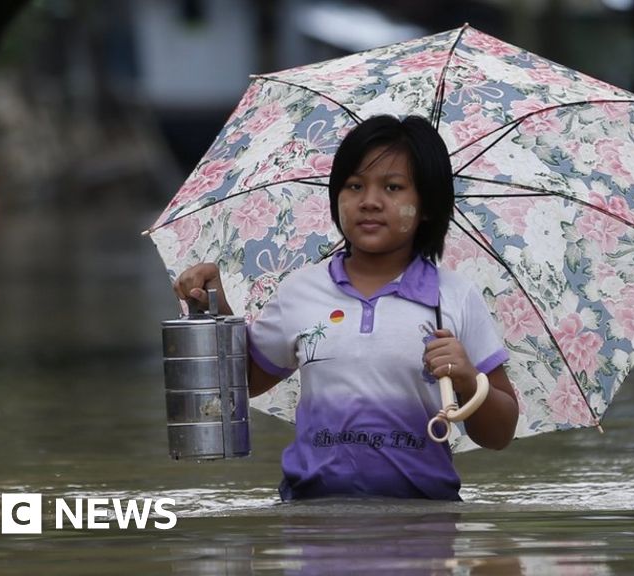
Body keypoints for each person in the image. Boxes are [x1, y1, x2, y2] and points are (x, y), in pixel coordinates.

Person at [173, 115, 518, 501]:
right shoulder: (300, 292)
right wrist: (215, 309)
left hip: (425, 519)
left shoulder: (455, 298)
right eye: (354, 186)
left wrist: (469, 379)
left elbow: (500, 434)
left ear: (426, 206)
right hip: (311, 514)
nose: (369, 201)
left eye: (393, 187)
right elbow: (243, 384)